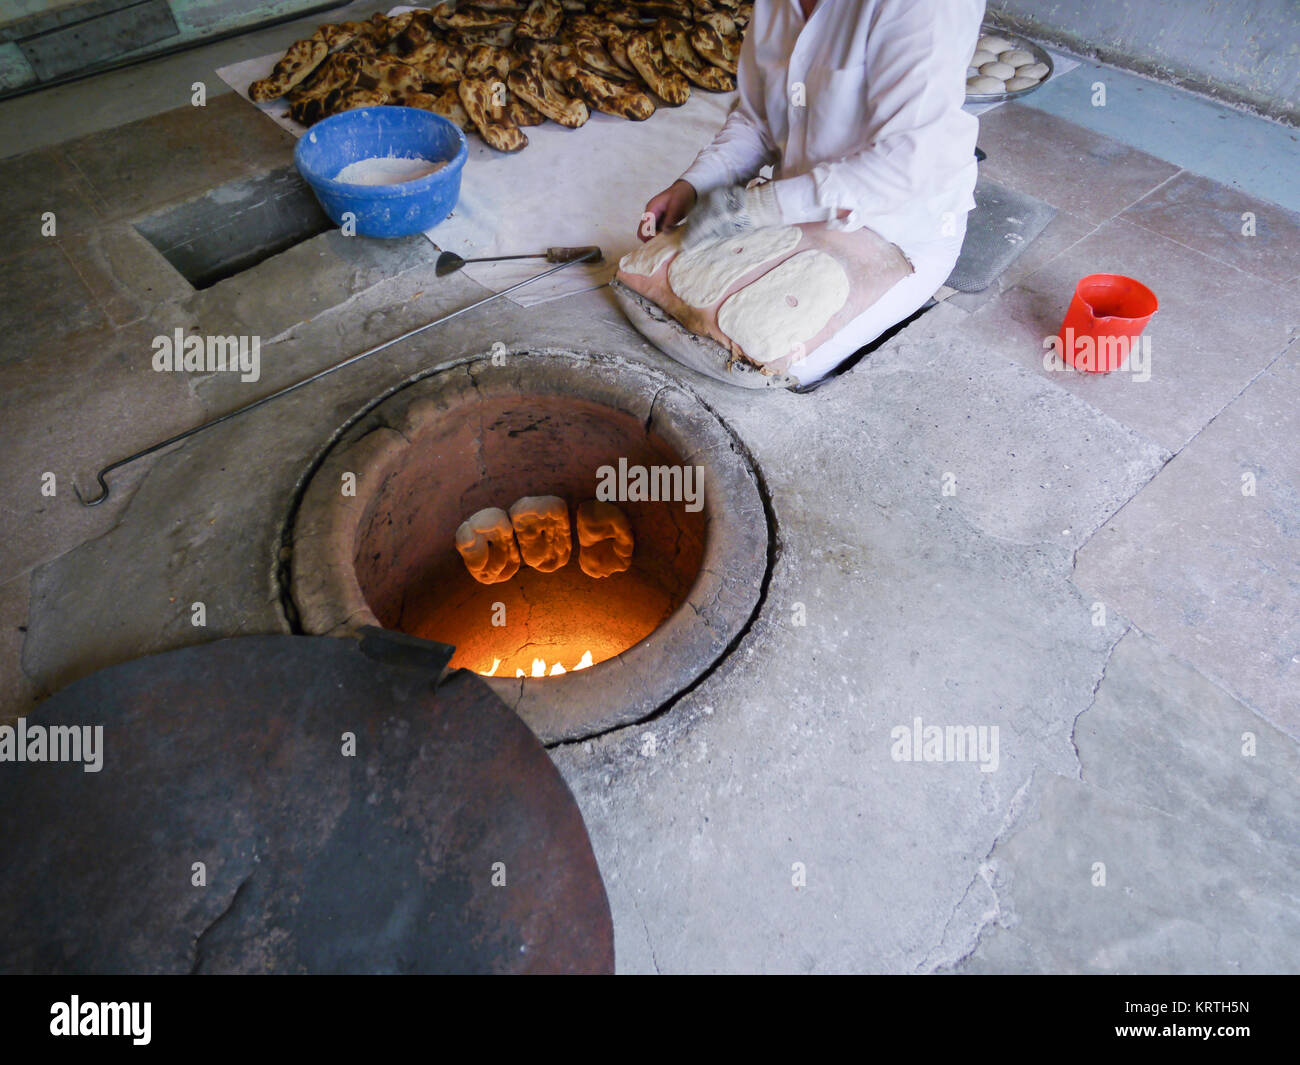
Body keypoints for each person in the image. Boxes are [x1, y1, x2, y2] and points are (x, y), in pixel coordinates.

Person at [639, 0, 985, 386]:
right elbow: (758, 121)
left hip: (895, 228)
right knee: (662, 293)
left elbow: (904, 161)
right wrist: (695, 185)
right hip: (795, 207)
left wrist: (757, 206)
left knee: (780, 363)